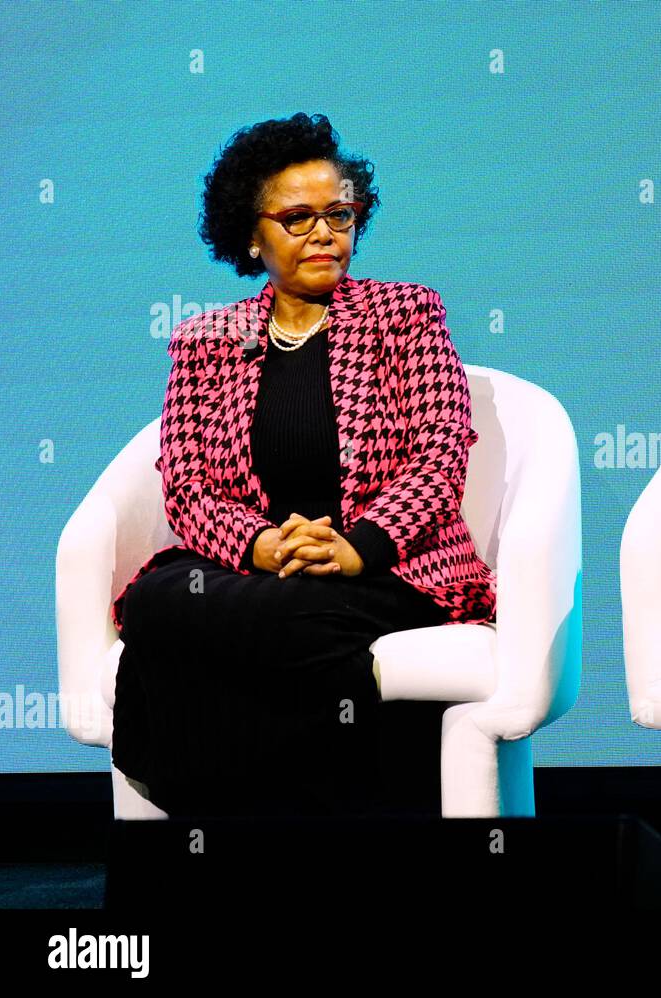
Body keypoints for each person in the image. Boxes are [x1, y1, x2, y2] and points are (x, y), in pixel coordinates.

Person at [109, 112, 495, 819]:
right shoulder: (206, 340)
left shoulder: (406, 315)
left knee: (286, 622)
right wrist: (262, 544)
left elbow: (441, 458)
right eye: (299, 218)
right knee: (154, 602)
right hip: (258, 568)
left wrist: (356, 548)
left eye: (340, 215)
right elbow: (187, 487)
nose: (325, 233)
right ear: (252, 235)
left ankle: (253, 813)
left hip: (385, 565)